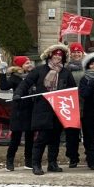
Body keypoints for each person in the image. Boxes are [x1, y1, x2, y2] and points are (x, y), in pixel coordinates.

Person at [16, 43, 77, 175]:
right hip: (43, 108)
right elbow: (26, 83)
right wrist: (18, 94)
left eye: (60, 56)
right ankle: (36, 164)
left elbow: (72, 89)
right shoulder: (39, 70)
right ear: (50, 56)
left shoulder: (66, 73)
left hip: (59, 108)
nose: (57, 58)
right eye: (55, 55)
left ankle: (52, 163)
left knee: (55, 138)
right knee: (42, 138)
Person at [0, 55, 34, 171]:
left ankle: (28, 161)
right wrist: (2, 72)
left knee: (30, 138)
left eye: (30, 62)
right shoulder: (15, 78)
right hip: (18, 110)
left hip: (31, 109)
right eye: (27, 63)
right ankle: (9, 161)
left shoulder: (33, 76)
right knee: (16, 138)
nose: (30, 65)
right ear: (20, 66)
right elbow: (3, 86)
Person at [62, 41, 87, 168]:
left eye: (79, 52)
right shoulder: (65, 68)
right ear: (70, 54)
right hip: (70, 103)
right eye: (74, 52)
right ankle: (73, 157)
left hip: (86, 103)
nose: (76, 54)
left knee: (88, 132)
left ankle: (90, 157)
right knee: (71, 133)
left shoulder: (88, 66)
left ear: (82, 53)